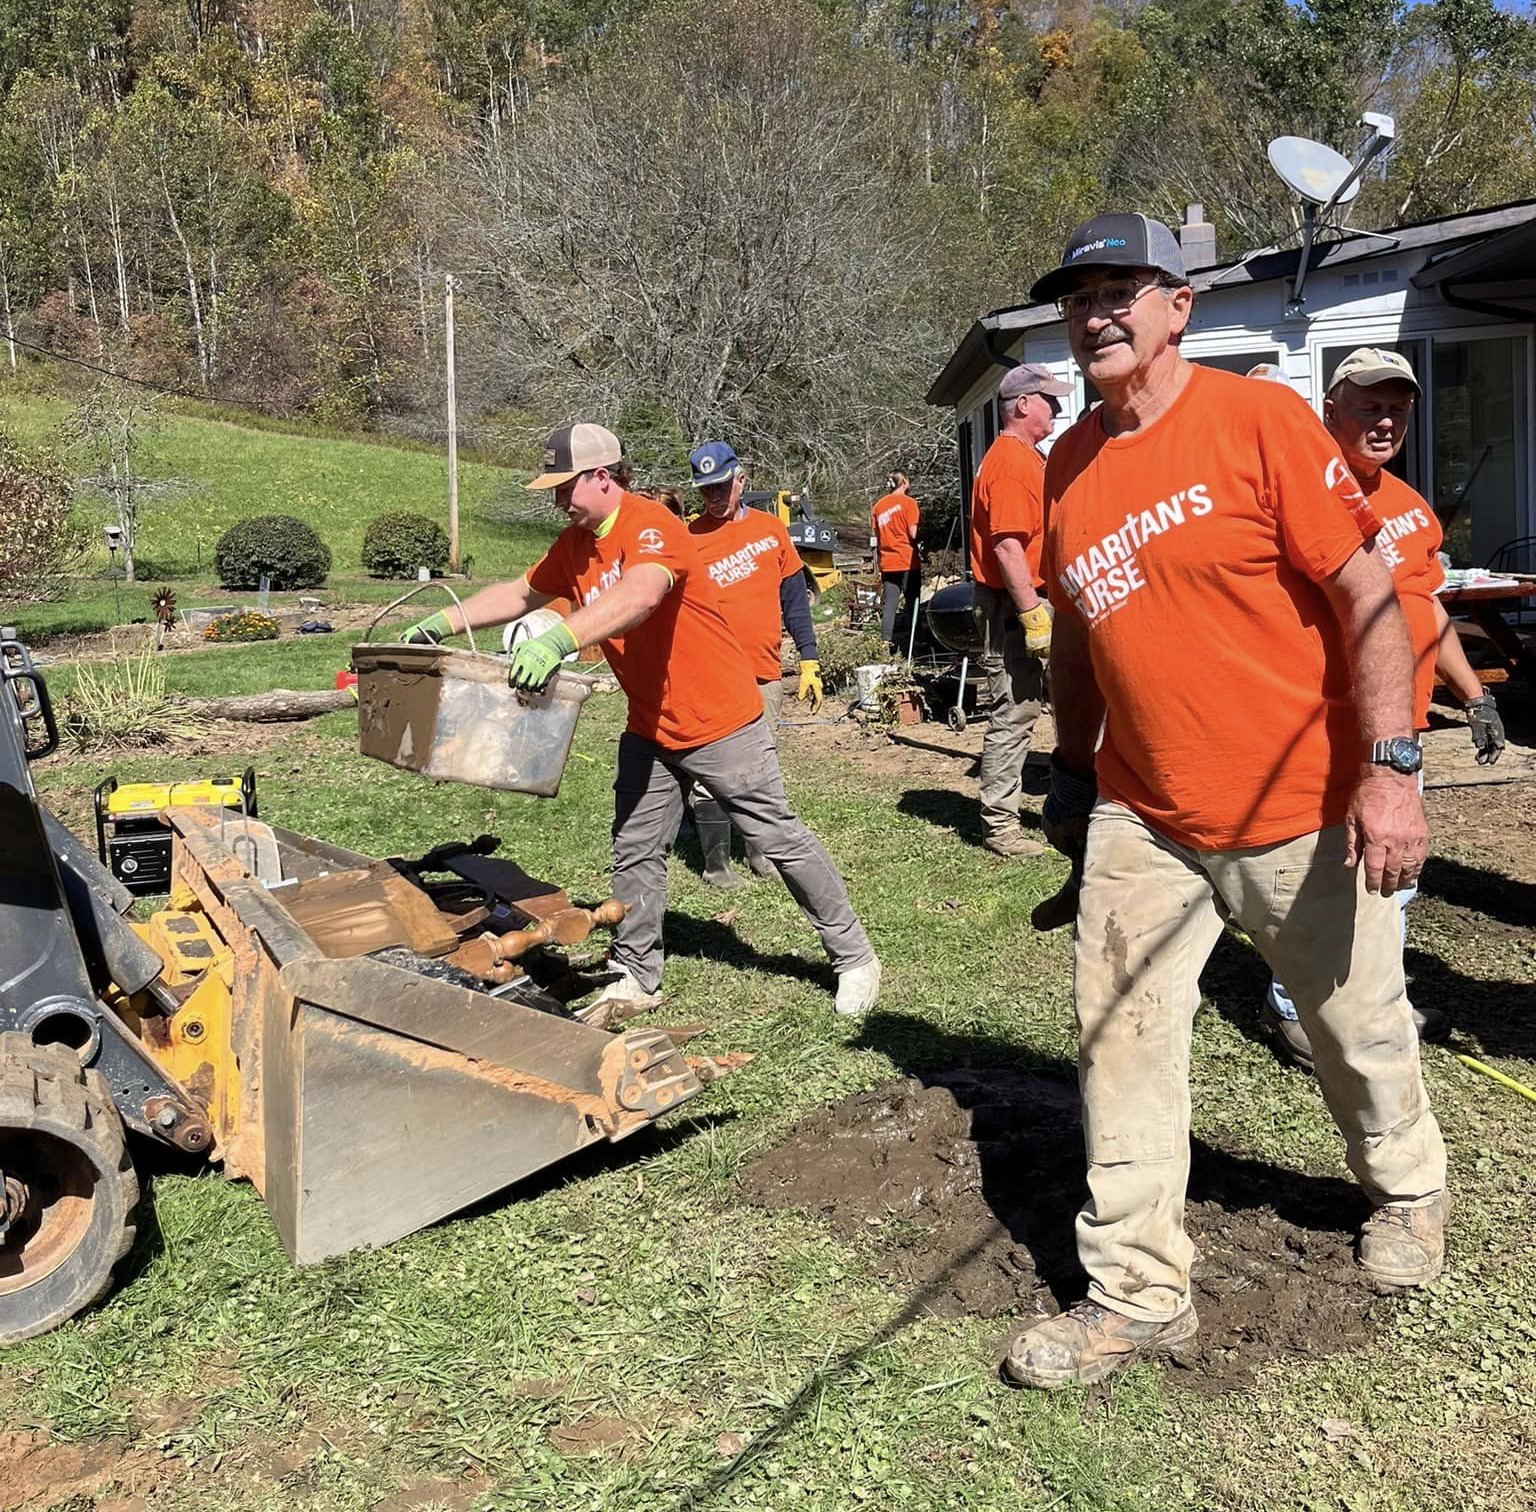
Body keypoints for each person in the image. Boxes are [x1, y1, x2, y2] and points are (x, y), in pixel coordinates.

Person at [1003, 214, 1448, 1391]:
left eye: (1121, 292)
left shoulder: (1257, 423)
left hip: (1298, 803)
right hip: (1144, 812)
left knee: (1353, 1027)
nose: (1095, 314)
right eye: (1077, 296)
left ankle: (1408, 1190)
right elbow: (1082, 644)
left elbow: (1369, 597)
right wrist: (1075, 767)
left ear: (1177, 306)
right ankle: (1141, 1292)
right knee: (1122, 1045)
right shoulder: (1067, 461)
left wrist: (1392, 768)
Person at [400, 422, 881, 1017]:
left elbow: (641, 594)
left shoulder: (653, 524)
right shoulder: (574, 544)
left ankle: (853, 955)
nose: (557, 501)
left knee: (777, 838)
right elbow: (521, 593)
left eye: (564, 486)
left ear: (603, 477)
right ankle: (636, 974)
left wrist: (557, 640)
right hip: (650, 725)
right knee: (634, 847)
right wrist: (440, 625)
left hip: (720, 719)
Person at [1263, 347, 1505, 1070]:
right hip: (1320, 725)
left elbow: (1425, 612)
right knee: (1314, 874)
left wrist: (1476, 694)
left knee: (1394, 874)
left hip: (1399, 731)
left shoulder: (1411, 508)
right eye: (1368, 404)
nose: (1385, 419)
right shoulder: (1296, 494)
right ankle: (1292, 1009)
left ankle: (1379, 1002)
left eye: (1397, 406)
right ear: (1329, 410)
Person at [684, 440, 824, 888]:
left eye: (722, 487)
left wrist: (808, 658)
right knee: (713, 768)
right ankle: (716, 863)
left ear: (741, 480)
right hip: (712, 674)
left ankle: (761, 853)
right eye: (706, 491)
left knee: (761, 767)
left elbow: (794, 600)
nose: (715, 498)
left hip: (763, 670)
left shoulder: (771, 531)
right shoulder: (688, 539)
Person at [969, 362, 1074, 858]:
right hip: (1014, 604)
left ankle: (1073, 808)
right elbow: (1009, 548)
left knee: (1067, 706)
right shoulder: (1010, 462)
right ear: (1023, 405)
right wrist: (1033, 614)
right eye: (1049, 399)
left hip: (1033, 598)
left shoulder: (1030, 457)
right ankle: (1001, 828)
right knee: (1015, 712)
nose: (1056, 407)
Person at [871, 473, 921, 650]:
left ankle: (885, 640)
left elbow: (877, 536)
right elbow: (913, 533)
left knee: (891, 602)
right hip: (907, 561)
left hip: (888, 561)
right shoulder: (909, 503)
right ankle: (914, 639)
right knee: (912, 601)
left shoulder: (878, 507)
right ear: (905, 482)